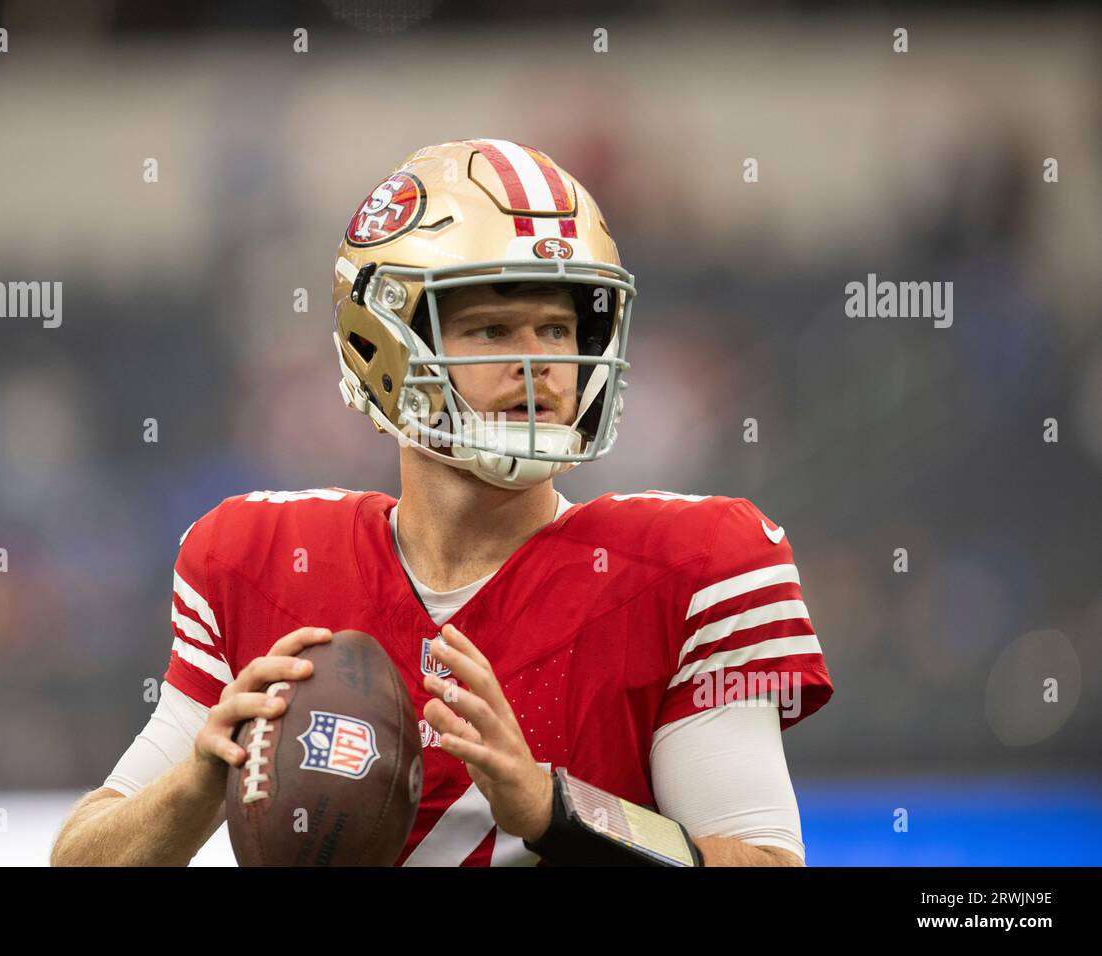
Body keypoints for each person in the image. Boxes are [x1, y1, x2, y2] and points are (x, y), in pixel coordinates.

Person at [50, 138, 833, 867]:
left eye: (559, 329)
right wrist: (194, 783)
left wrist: (554, 808)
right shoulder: (258, 560)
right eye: (492, 330)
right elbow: (79, 857)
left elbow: (764, 864)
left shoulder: (692, 565)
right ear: (383, 345)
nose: (541, 367)